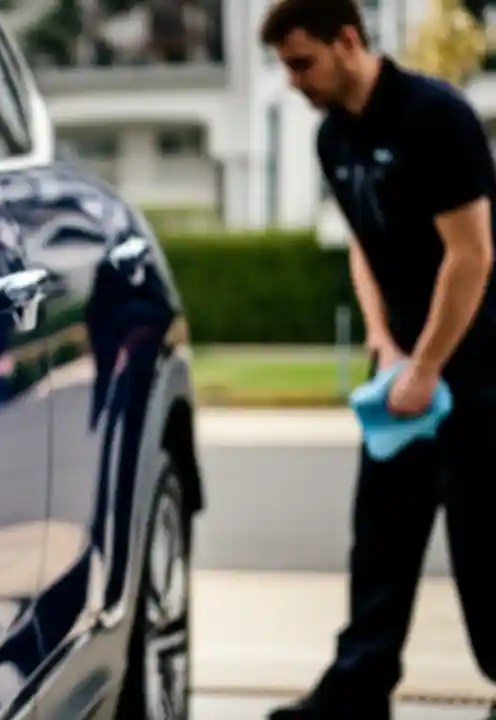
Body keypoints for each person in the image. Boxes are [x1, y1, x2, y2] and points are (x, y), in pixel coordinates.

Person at [259, 1, 496, 718]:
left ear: (348, 41)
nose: (293, 81)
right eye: (285, 66)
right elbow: (366, 242)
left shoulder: (436, 116)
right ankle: (359, 689)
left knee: (485, 546)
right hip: (401, 370)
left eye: (302, 62)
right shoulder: (334, 137)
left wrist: (428, 365)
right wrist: (386, 345)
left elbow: (472, 254)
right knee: (381, 538)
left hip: (479, 366)